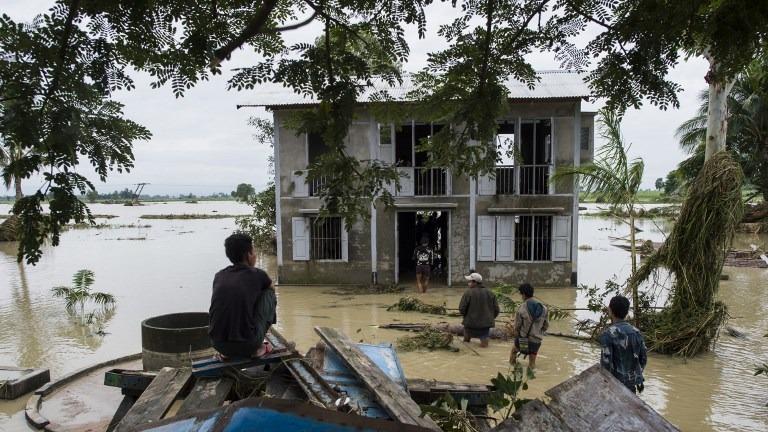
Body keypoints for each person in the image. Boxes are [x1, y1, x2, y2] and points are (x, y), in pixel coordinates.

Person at [209, 233, 277, 360]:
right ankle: (257, 347)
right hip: (248, 345)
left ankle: (228, 351)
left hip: (217, 344)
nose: (255, 255)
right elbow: (271, 287)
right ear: (248, 255)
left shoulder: (219, 276)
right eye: (254, 251)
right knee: (269, 294)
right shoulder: (257, 274)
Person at [599, 295, 647, 394]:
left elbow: (605, 364)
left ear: (610, 311)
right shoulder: (636, 332)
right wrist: (635, 376)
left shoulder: (608, 334)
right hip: (631, 385)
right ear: (627, 312)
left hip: (614, 386)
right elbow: (643, 359)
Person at [509, 283, 548, 368]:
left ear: (523, 294)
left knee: (513, 352)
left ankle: (512, 370)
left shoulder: (522, 307)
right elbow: (545, 326)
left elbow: (517, 326)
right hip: (536, 340)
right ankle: (531, 377)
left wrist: (516, 335)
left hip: (524, 340)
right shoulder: (544, 308)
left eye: (521, 294)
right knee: (532, 363)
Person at [459, 272, 499, 348]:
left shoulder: (468, 292)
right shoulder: (490, 293)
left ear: (475, 282)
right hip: (485, 325)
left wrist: (466, 317)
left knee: (466, 343)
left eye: (470, 281)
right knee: (484, 345)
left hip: (470, 323)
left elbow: (462, 309)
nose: (468, 283)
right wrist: (490, 318)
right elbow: (496, 309)